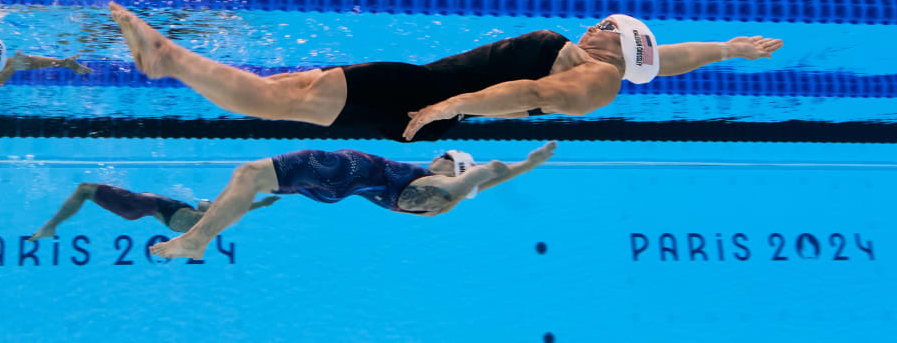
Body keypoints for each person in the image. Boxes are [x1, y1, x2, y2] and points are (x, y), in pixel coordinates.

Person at [109, 2, 784, 141]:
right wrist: (731, 45)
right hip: (420, 92)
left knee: (273, 98)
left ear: (617, 53)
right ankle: (170, 61)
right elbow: (670, 58)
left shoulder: (595, 80)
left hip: (420, 100)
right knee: (283, 95)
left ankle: (167, 59)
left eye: (609, 28)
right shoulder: (609, 60)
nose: (597, 24)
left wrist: (448, 108)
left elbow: (530, 92)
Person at [74, 141, 554, 259]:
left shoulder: (439, 183)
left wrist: (501, 169)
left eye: (445, 157)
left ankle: (197, 239)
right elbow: (478, 184)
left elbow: (478, 178)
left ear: (452, 166)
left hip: (339, 174)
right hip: (340, 186)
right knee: (248, 181)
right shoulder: (435, 188)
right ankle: (200, 234)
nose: (437, 156)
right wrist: (529, 165)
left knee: (247, 175)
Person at [29, 184, 282, 241]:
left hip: (136, 205)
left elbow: (235, 208)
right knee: (85, 190)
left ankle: (52, 225)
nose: (207, 201)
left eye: (207, 202)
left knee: (84, 189)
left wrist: (261, 203)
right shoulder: (195, 215)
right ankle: (52, 225)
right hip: (136, 205)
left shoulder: (205, 218)